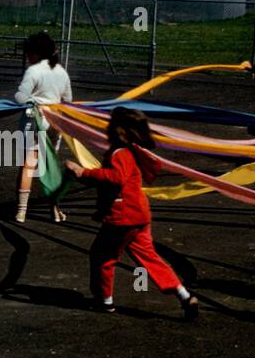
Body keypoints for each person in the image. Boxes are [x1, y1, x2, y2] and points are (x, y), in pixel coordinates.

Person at [64, 107, 200, 320]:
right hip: (139, 215)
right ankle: (184, 295)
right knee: (150, 258)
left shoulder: (120, 153)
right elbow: (116, 179)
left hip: (123, 217)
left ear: (118, 130)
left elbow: (116, 178)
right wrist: (83, 176)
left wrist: (84, 172)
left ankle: (105, 301)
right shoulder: (131, 152)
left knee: (103, 257)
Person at [12, 31, 73, 223]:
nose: (28, 57)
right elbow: (68, 100)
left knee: (28, 165)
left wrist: (30, 99)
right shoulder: (61, 71)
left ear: (37, 53)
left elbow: (21, 97)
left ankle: (21, 211)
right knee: (50, 166)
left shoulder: (34, 71)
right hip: (54, 122)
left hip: (34, 121)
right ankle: (54, 210)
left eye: (29, 53)